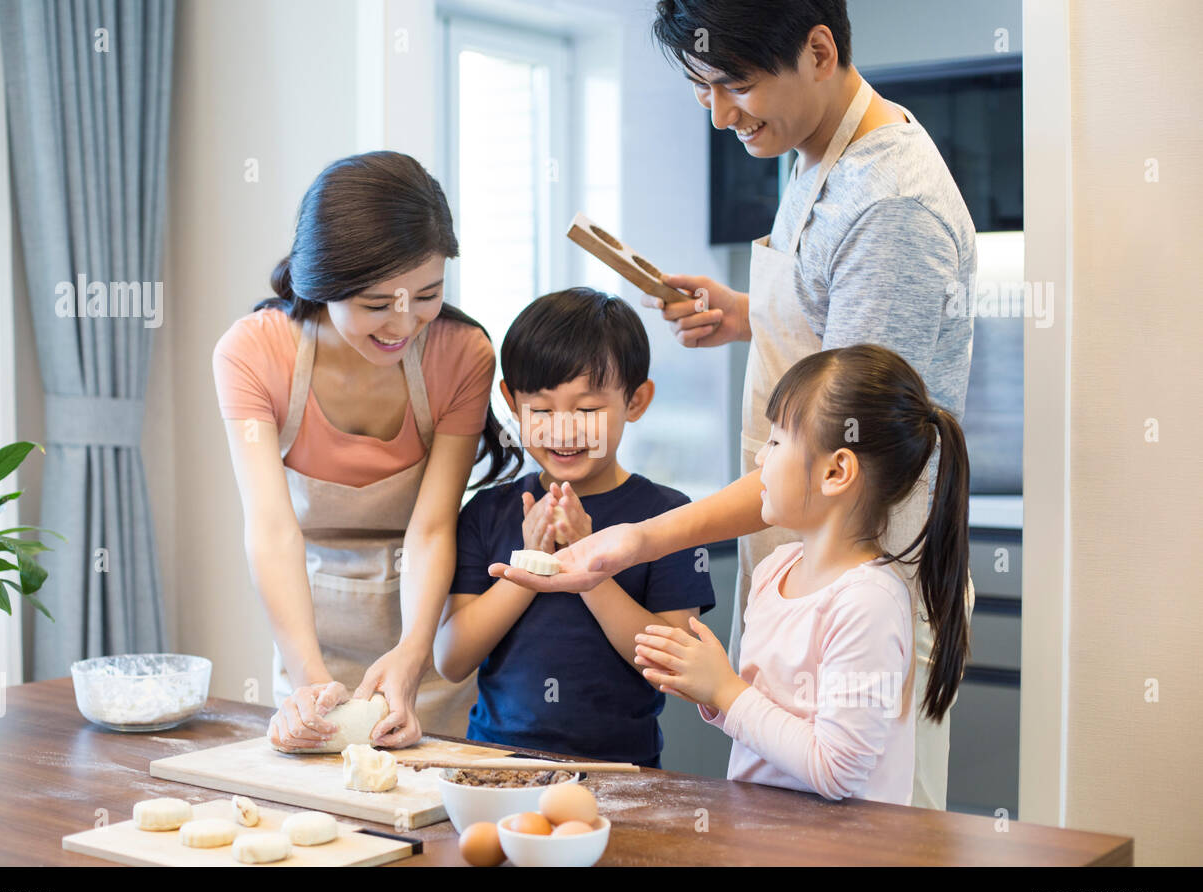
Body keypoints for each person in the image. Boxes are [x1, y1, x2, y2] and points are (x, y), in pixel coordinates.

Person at [498, 0, 977, 810]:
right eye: (701, 89)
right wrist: (751, 315)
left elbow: (845, 432)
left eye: (737, 86)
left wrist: (634, 540)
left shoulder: (893, 205)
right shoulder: (815, 149)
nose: (721, 115)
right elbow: (840, 340)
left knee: (864, 826)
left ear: (819, 51)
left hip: (860, 579)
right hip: (804, 557)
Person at [213, 151, 520, 751]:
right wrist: (308, 679)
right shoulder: (252, 354)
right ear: (321, 284)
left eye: (427, 295)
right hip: (310, 632)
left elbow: (431, 529)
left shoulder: (462, 353)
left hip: (424, 632)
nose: (403, 326)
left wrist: (411, 656)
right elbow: (272, 530)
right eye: (377, 305)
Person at [635, 344, 970, 804]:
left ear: (836, 471)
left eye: (775, 441)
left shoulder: (868, 602)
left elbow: (837, 771)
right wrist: (709, 690)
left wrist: (726, 689)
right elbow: (768, 722)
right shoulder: (775, 572)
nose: (760, 460)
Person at [436, 288, 715, 767]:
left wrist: (590, 565)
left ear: (637, 400)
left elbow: (675, 666)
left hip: (623, 771)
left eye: (587, 410)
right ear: (510, 400)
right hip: (495, 762)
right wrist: (533, 563)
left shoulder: (668, 518)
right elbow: (452, 658)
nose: (564, 430)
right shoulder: (488, 511)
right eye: (541, 410)